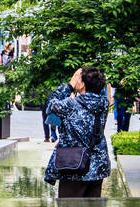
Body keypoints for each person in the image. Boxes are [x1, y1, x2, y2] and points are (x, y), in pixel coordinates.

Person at [44, 65, 111, 198]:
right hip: (98, 165)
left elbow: (50, 103)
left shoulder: (70, 104)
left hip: (73, 165)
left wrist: (69, 86)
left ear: (82, 83)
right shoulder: (103, 103)